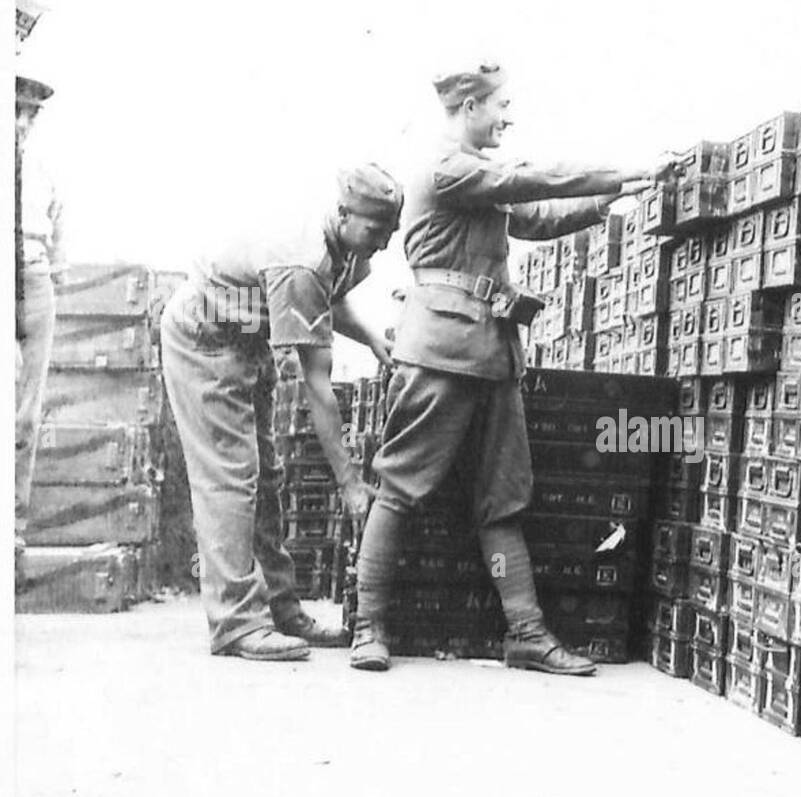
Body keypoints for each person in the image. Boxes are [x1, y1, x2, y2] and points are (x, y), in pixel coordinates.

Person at [349, 63, 676, 673]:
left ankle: (526, 632)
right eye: (501, 105)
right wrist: (625, 168)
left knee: (502, 500)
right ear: (469, 106)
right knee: (399, 488)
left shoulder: (479, 184)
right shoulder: (448, 167)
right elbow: (530, 181)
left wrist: (620, 194)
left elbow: (539, 218)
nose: (507, 117)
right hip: (442, 349)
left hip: (492, 353)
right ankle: (369, 627)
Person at [161, 164, 403, 661]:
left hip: (246, 342)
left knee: (266, 477)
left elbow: (326, 301)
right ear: (342, 213)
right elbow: (318, 383)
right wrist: (349, 483)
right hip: (205, 339)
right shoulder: (303, 258)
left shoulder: (341, 246)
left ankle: (279, 609)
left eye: (389, 231)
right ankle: (235, 623)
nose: (382, 241)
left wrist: (374, 336)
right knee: (231, 479)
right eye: (375, 229)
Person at [14, 72, 62, 587]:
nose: (22, 123)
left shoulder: (45, 169)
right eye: (14, 110)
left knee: (28, 411)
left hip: (34, 271)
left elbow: (58, 225)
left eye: (30, 114)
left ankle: (15, 526)